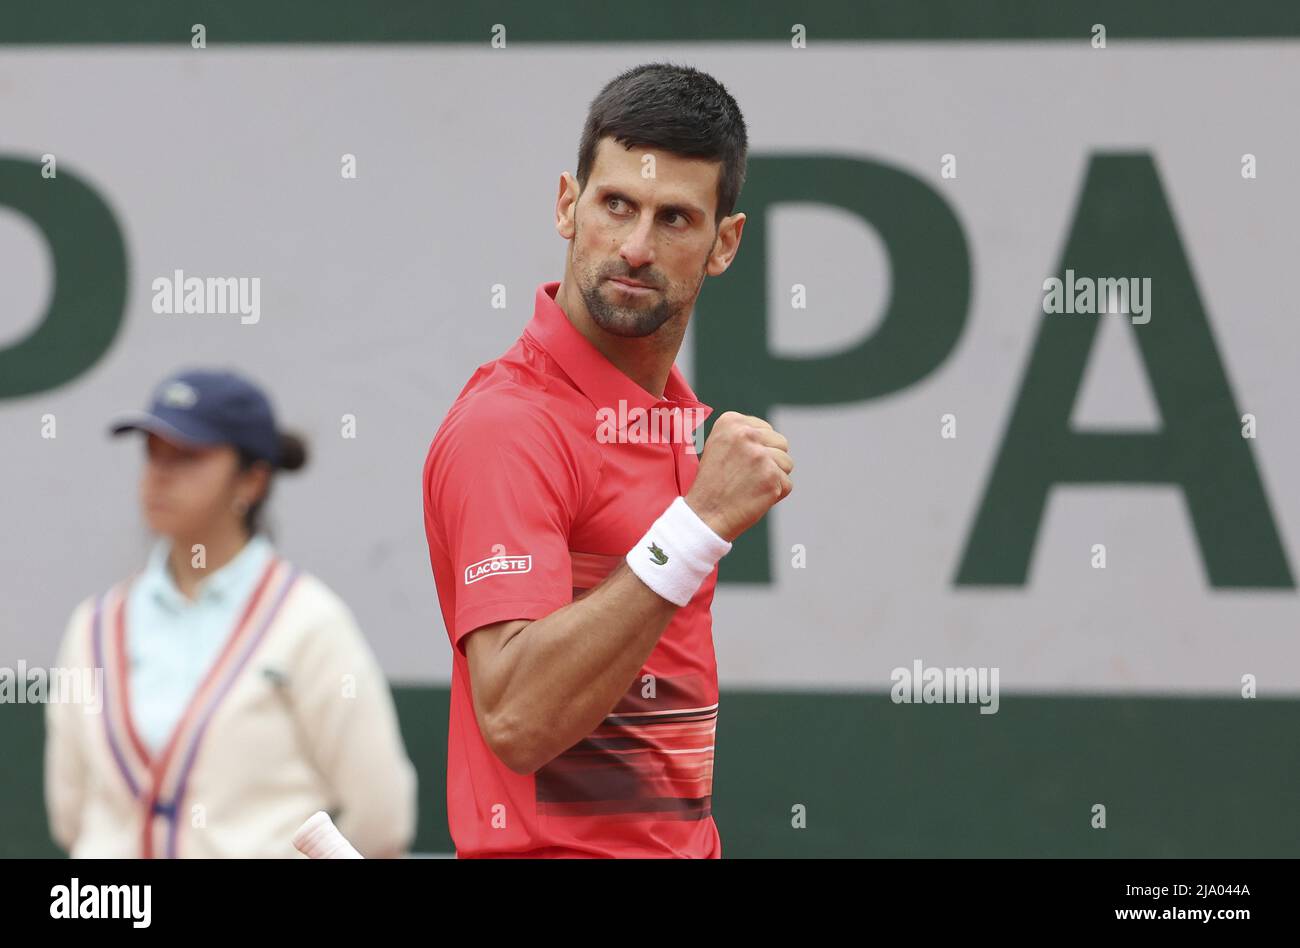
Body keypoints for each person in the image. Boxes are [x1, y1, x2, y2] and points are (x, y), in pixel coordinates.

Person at [423, 63, 794, 857]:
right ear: (569, 204)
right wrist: (695, 526)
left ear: (724, 243)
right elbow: (517, 717)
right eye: (615, 204)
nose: (634, 247)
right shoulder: (508, 427)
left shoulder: (683, 428)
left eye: (674, 220)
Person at [45, 368, 417, 858]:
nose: (159, 473)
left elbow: (381, 817)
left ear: (253, 479)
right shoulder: (92, 626)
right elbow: (70, 813)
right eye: (152, 451)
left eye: (188, 455)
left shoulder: (309, 621)